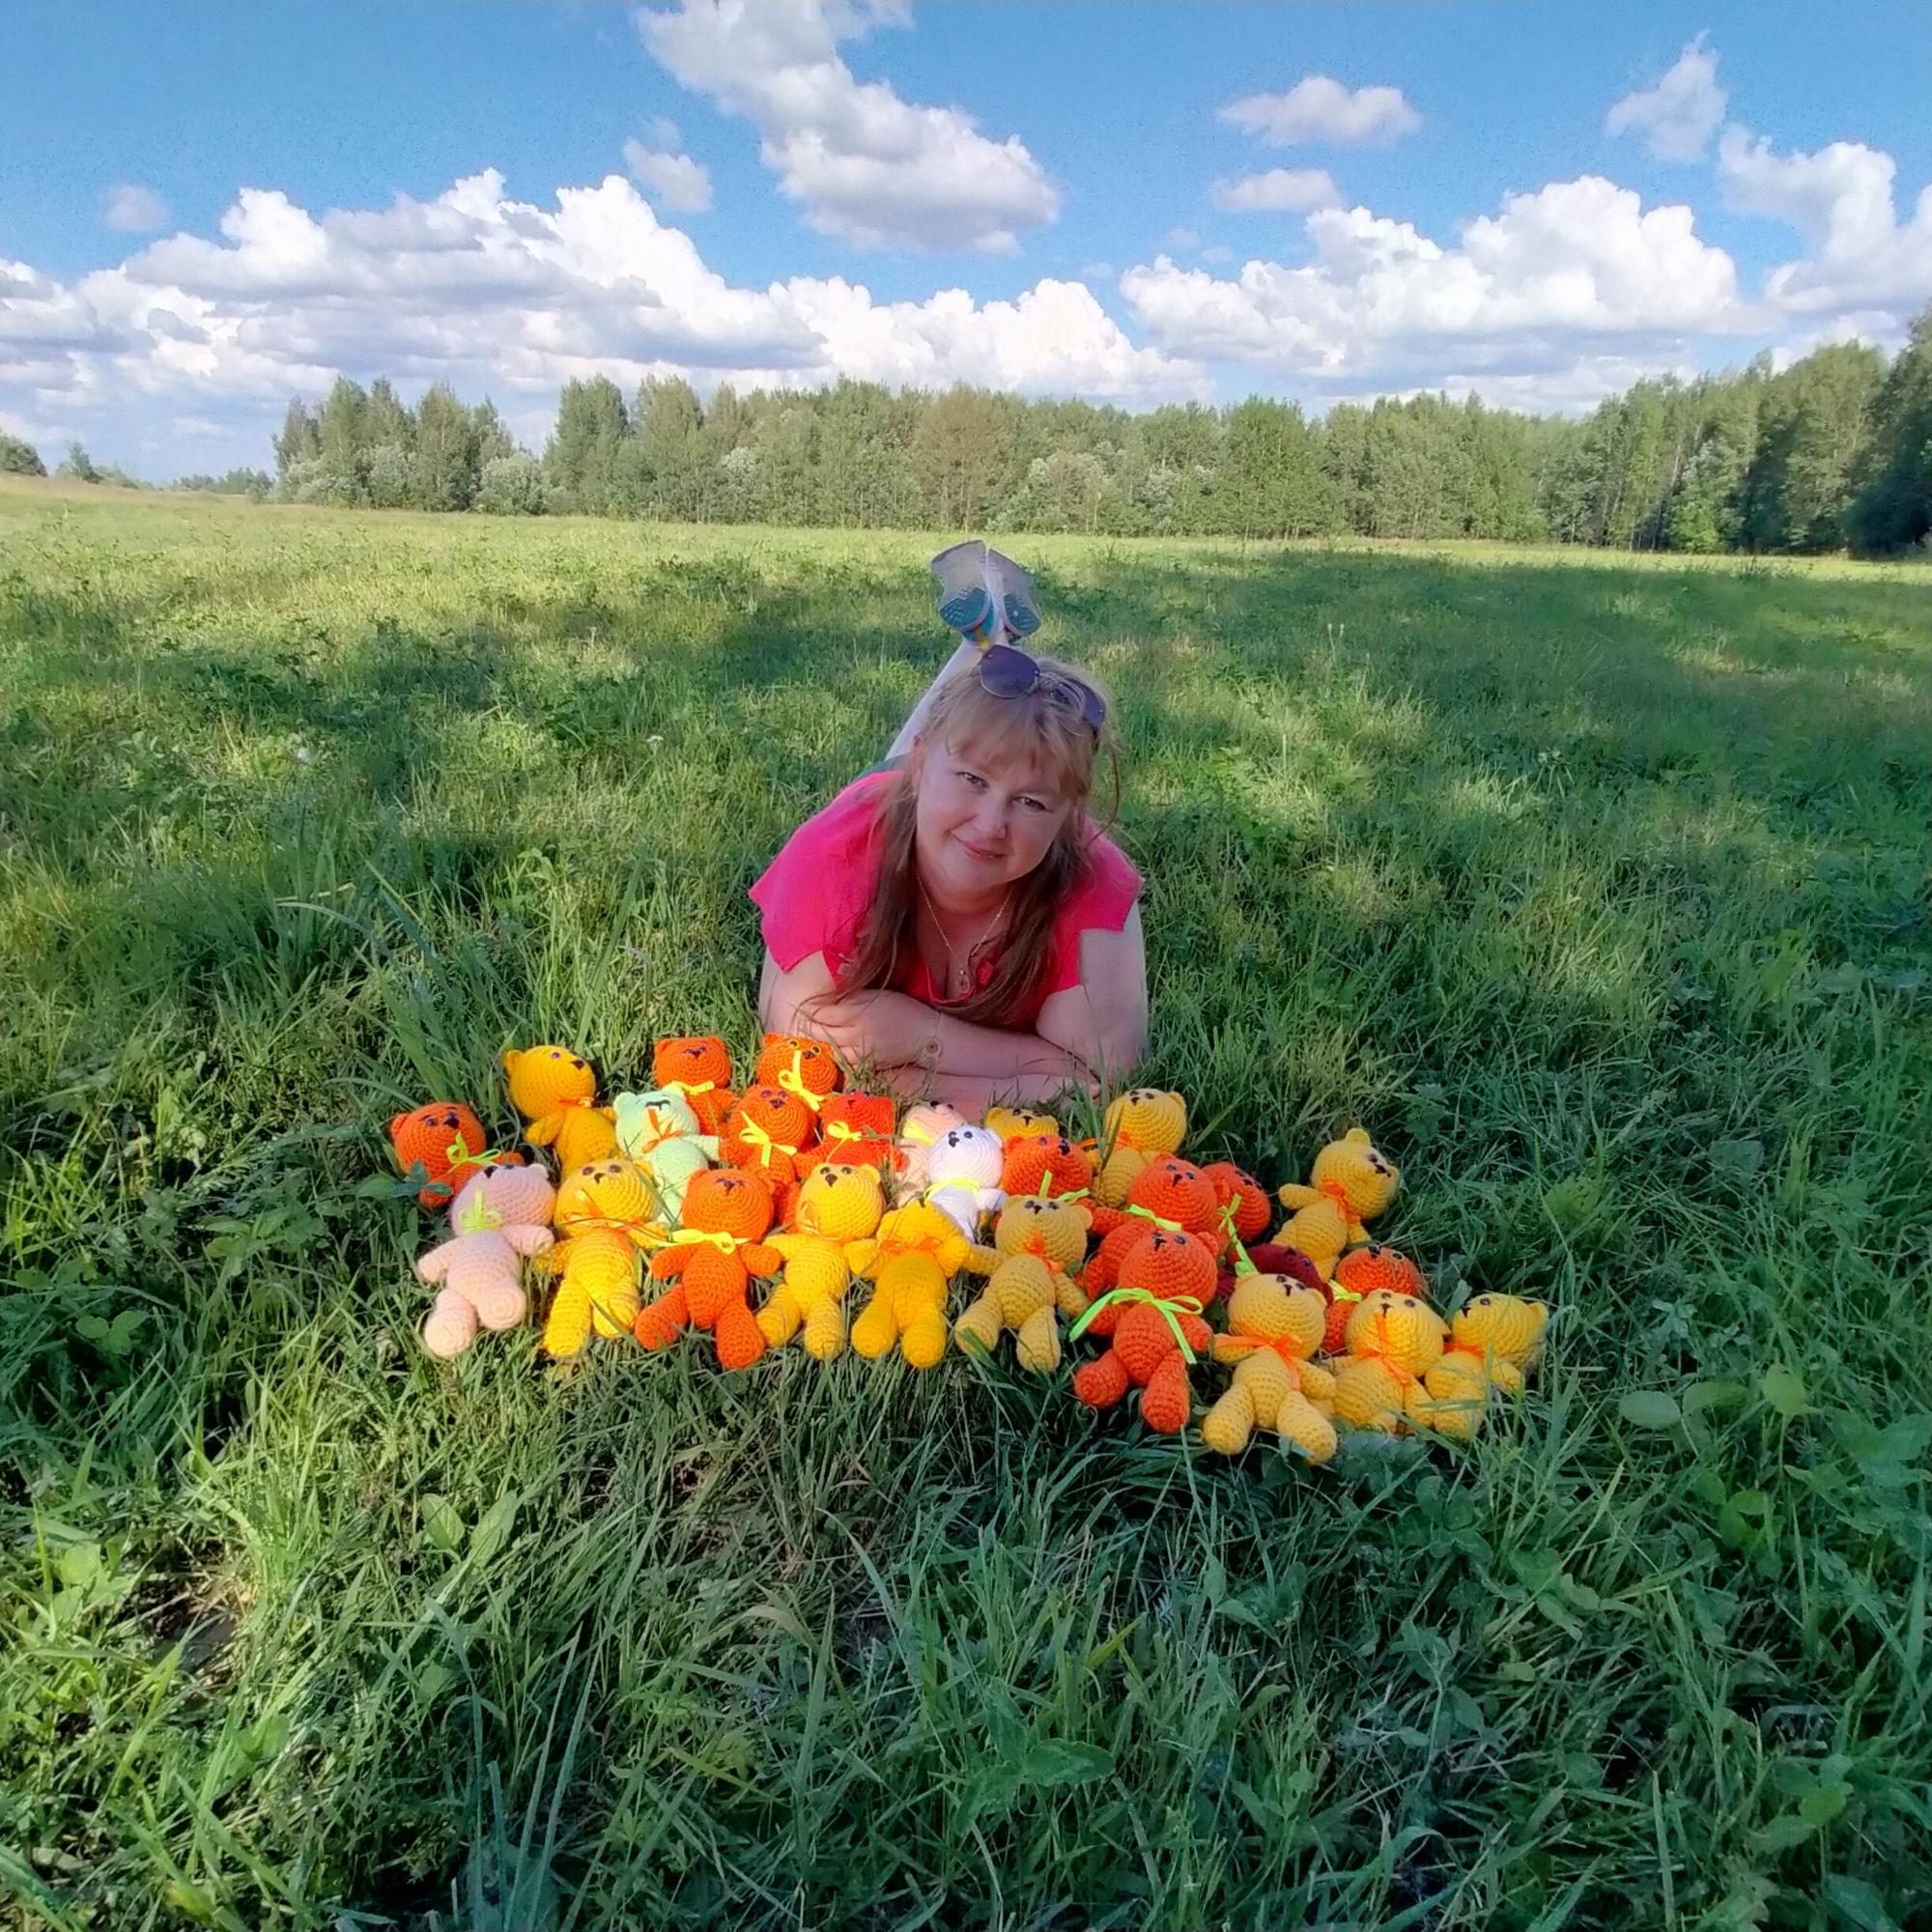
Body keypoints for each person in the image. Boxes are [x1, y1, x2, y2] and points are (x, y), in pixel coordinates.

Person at [752, 542, 1148, 1117]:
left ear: (1069, 817)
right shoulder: (837, 853)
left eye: (1033, 803)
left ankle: (990, 641)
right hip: (888, 807)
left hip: (925, 788)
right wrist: (1025, 1068)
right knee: (923, 760)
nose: (992, 825)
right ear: (921, 765)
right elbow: (794, 1034)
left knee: (974, 748)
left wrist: (919, 1040)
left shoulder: (1095, 879)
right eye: (974, 780)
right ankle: (986, 643)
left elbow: (1103, 1078)